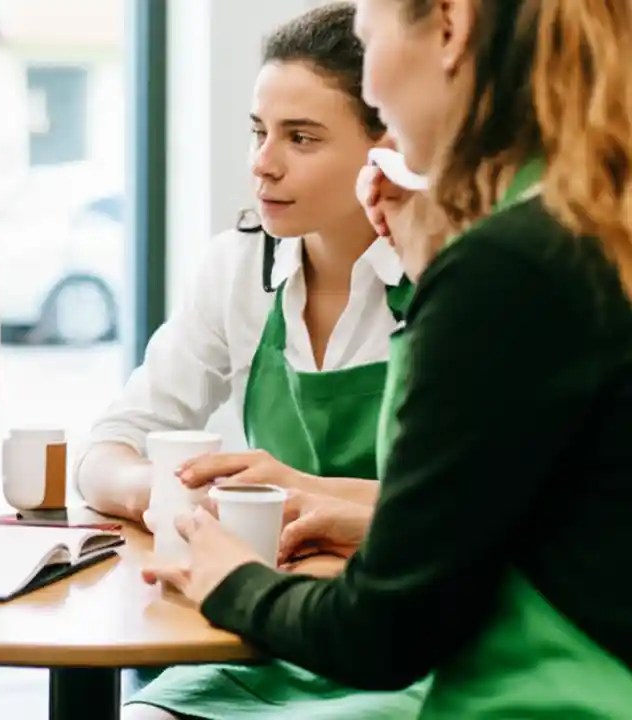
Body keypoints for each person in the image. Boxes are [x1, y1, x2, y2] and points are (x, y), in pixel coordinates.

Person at [145, 0, 632, 717]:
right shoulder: (584, 232)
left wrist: (233, 581)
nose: (372, 88)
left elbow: (385, 633)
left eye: (368, 42)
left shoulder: (511, 267)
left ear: (449, 25)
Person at [75, 4, 428, 717]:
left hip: (406, 648)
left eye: (301, 138)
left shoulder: (446, 275)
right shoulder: (236, 268)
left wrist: (304, 490)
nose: (264, 163)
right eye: (259, 132)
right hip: (260, 643)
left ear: (384, 143)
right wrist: (160, 491)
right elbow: (105, 449)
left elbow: (485, 513)